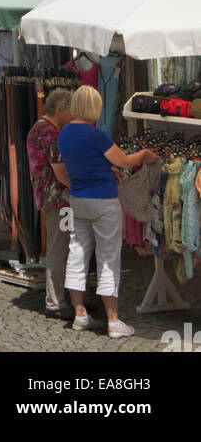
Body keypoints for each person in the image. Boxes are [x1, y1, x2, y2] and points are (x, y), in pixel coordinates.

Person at [58, 84, 158, 339]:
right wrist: (145, 153)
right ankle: (113, 321)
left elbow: (81, 163)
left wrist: (106, 169)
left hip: (78, 199)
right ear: (94, 107)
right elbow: (124, 161)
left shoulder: (65, 133)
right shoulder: (96, 135)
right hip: (103, 200)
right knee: (108, 258)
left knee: (77, 254)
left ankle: (80, 315)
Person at [26, 87, 74, 318]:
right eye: (70, 111)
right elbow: (61, 172)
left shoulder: (39, 128)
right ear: (59, 108)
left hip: (52, 199)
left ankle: (63, 298)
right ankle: (55, 302)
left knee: (61, 247)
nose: (73, 116)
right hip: (59, 200)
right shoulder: (49, 133)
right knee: (60, 248)